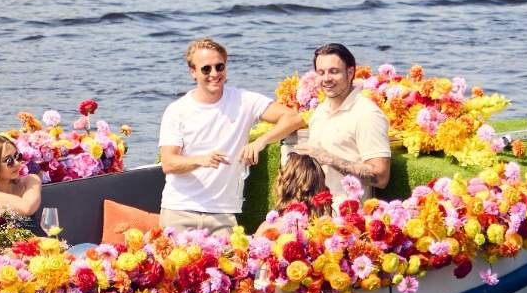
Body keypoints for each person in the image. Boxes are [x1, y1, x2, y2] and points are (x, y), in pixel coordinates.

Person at [156, 38, 304, 237]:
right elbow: (168, 163)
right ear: (193, 72)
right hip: (179, 210)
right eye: (206, 69)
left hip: (223, 214)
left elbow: (293, 118)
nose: (214, 74)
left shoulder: (244, 101)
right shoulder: (177, 110)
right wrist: (201, 160)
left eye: (219, 67)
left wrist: (260, 142)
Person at [291, 44, 392, 195]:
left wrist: (329, 159)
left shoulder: (367, 114)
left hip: (347, 208)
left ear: (350, 73)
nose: (326, 79)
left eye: (334, 71)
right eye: (321, 72)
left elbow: (381, 177)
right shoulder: (320, 111)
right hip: (314, 204)